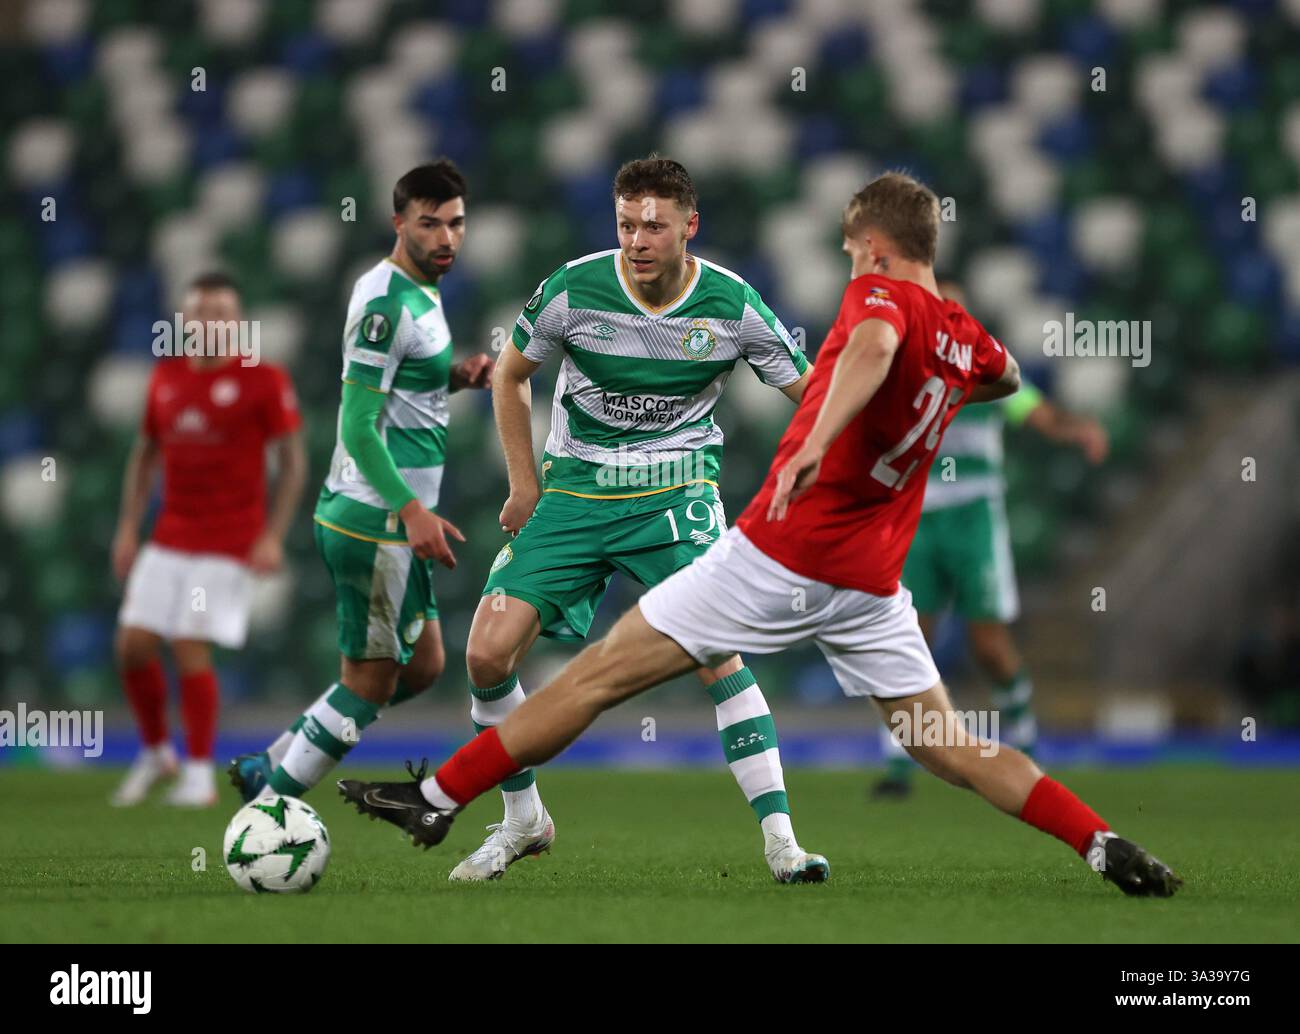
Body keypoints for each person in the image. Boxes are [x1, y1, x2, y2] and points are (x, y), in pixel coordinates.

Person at [340, 172, 1181, 897]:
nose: (851, 266)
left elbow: (873, 346)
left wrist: (819, 440)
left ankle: (440, 798)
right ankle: (1099, 840)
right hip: (871, 586)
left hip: (779, 555)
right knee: (950, 743)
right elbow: (1005, 375)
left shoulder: (876, 298)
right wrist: (932, 397)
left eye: (854, 251)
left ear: (877, 249)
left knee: (596, 675)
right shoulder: (961, 339)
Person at [447, 155, 825, 883]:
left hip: (675, 496)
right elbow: (510, 373)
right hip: (578, 489)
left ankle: (783, 845)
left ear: (690, 226)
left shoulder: (734, 306)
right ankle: (523, 820)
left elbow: (811, 397)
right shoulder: (573, 288)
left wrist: (811, 475)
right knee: (487, 655)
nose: (637, 240)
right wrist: (524, 483)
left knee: (718, 655)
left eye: (654, 225)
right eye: (626, 224)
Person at [228, 160, 493, 803]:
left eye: (456, 224)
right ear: (399, 222)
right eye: (430, 224)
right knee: (371, 682)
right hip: (375, 518)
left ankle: (275, 761)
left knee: (424, 665)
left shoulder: (420, 288)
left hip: (391, 518)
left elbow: (402, 380)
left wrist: (453, 376)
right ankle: (270, 811)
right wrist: (410, 510)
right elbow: (357, 421)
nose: (447, 239)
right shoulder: (384, 303)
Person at [873, 280, 1109, 798]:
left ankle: (1028, 745)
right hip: (918, 522)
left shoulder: (987, 370)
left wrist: (1075, 430)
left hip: (975, 520)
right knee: (909, 640)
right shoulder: (900, 371)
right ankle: (899, 765)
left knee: (990, 645)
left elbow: (1036, 411)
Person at [112, 272, 305, 807]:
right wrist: (128, 527)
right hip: (171, 534)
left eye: (223, 313)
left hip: (232, 539)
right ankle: (156, 752)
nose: (212, 322)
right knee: (131, 646)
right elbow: (144, 454)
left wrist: (272, 536)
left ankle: (198, 771)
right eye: (202, 312)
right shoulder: (166, 379)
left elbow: (292, 463)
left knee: (187, 641)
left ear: (238, 323)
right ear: (185, 322)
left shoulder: (264, 380)